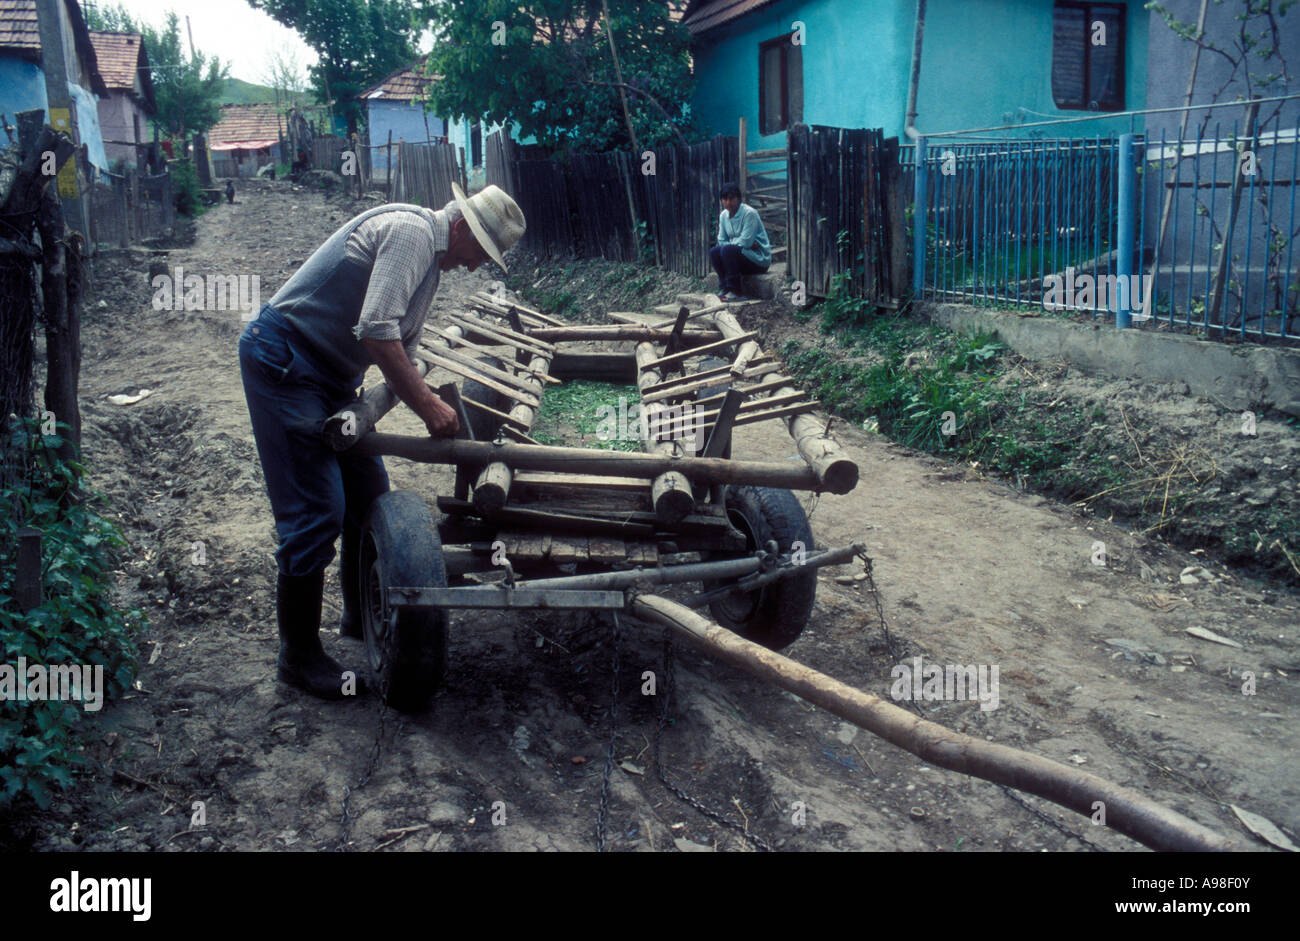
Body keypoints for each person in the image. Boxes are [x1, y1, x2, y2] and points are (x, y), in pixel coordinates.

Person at [239, 183, 526, 700]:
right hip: (285, 360)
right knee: (317, 509)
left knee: (369, 492)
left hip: (328, 376)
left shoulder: (432, 263)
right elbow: (376, 333)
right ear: (462, 228)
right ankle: (297, 656)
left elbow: (400, 347)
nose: (478, 265)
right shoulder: (412, 235)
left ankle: (358, 616)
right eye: (482, 253)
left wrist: (423, 399)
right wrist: (428, 407)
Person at [709, 181, 771, 301]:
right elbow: (721, 240)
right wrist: (740, 244)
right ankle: (725, 288)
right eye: (725, 199)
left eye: (731, 199)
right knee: (714, 251)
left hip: (758, 260)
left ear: (738, 199)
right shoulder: (723, 216)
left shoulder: (749, 214)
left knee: (727, 250)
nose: (728, 202)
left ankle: (736, 292)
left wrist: (736, 244)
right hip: (742, 255)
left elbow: (745, 241)